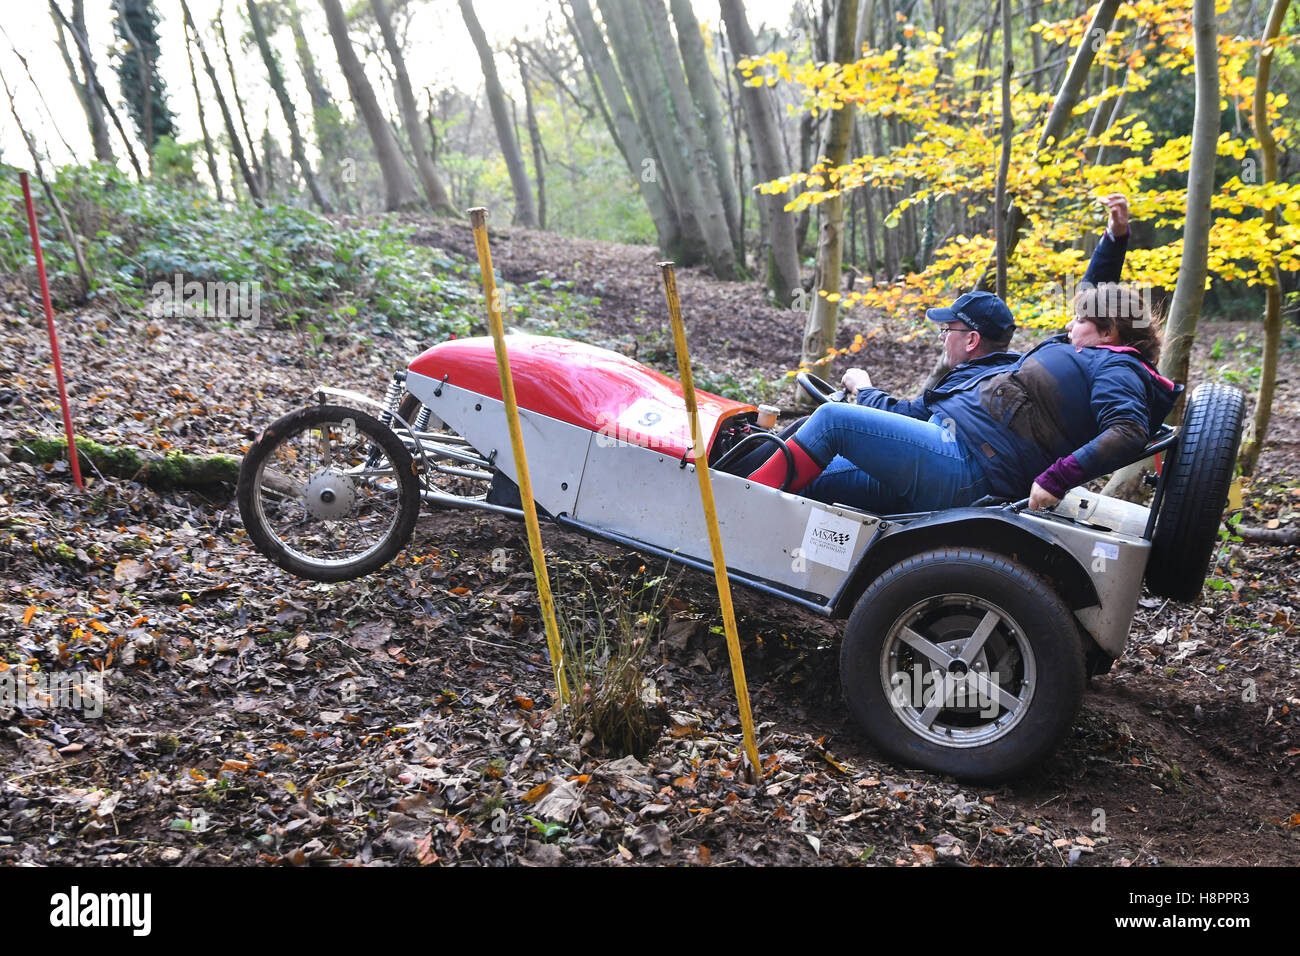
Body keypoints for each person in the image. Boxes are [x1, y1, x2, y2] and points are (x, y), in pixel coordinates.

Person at [746, 195, 1179, 513]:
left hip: (970, 465)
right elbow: (1094, 291)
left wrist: (1056, 479)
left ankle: (733, 511)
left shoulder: (1119, 367)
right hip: (953, 451)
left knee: (832, 421)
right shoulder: (1091, 353)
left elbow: (1126, 430)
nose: (1069, 324)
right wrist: (1115, 237)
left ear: (1108, 331)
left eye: (1078, 321)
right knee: (816, 480)